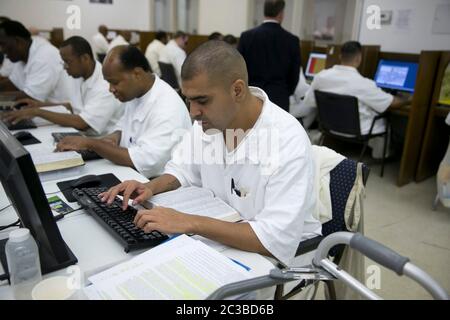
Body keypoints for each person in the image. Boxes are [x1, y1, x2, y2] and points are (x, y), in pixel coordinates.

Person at [100, 41, 321, 266]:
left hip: (275, 259)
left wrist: (189, 222)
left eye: (202, 100)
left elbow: (272, 238)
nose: (193, 112)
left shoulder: (285, 140)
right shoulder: (210, 122)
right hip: (222, 236)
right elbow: (182, 171)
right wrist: (148, 188)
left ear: (237, 90)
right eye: (188, 99)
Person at [56, 45, 192, 178]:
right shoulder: (137, 92)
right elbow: (124, 124)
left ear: (137, 74)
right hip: (130, 173)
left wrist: (92, 143)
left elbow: (147, 162)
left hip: (155, 184)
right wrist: (115, 137)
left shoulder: (167, 106)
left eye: (114, 82)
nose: (110, 89)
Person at [303, 41, 410, 158]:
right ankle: (382, 155)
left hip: (329, 128)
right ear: (359, 58)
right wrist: (408, 99)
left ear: (340, 56)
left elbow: (310, 101)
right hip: (357, 131)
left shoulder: (321, 76)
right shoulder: (364, 84)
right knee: (386, 122)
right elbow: (392, 103)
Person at [3, 36, 123, 136]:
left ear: (85, 59)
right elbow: (74, 107)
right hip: (84, 134)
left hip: (103, 140)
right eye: (63, 62)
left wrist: (37, 111)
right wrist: (41, 105)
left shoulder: (105, 85)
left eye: (68, 62)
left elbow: (82, 122)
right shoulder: (81, 75)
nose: (64, 67)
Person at [238, 0, 301, 112]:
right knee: (279, 129)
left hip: (252, 95)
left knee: (253, 129)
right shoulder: (292, 40)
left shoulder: (246, 37)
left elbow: (239, 68)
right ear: (281, 14)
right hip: (279, 97)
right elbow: (294, 75)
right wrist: (284, 91)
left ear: (264, 12)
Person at [0, 20, 71, 102]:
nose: (2, 50)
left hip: (63, 111)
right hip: (43, 109)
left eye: (2, 44)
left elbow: (30, 97)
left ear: (18, 41)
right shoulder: (23, 54)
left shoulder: (44, 56)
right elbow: (13, 84)